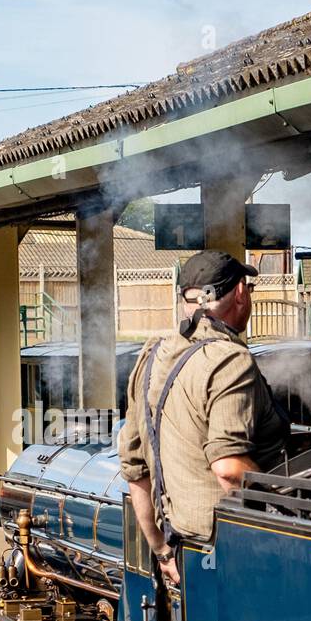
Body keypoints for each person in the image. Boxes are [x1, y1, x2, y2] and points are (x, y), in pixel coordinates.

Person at [118, 250, 288, 585]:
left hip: (181, 547)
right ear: (241, 292)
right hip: (234, 551)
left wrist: (161, 550)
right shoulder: (230, 361)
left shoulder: (153, 355)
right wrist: (293, 507)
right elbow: (228, 467)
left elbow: (134, 465)